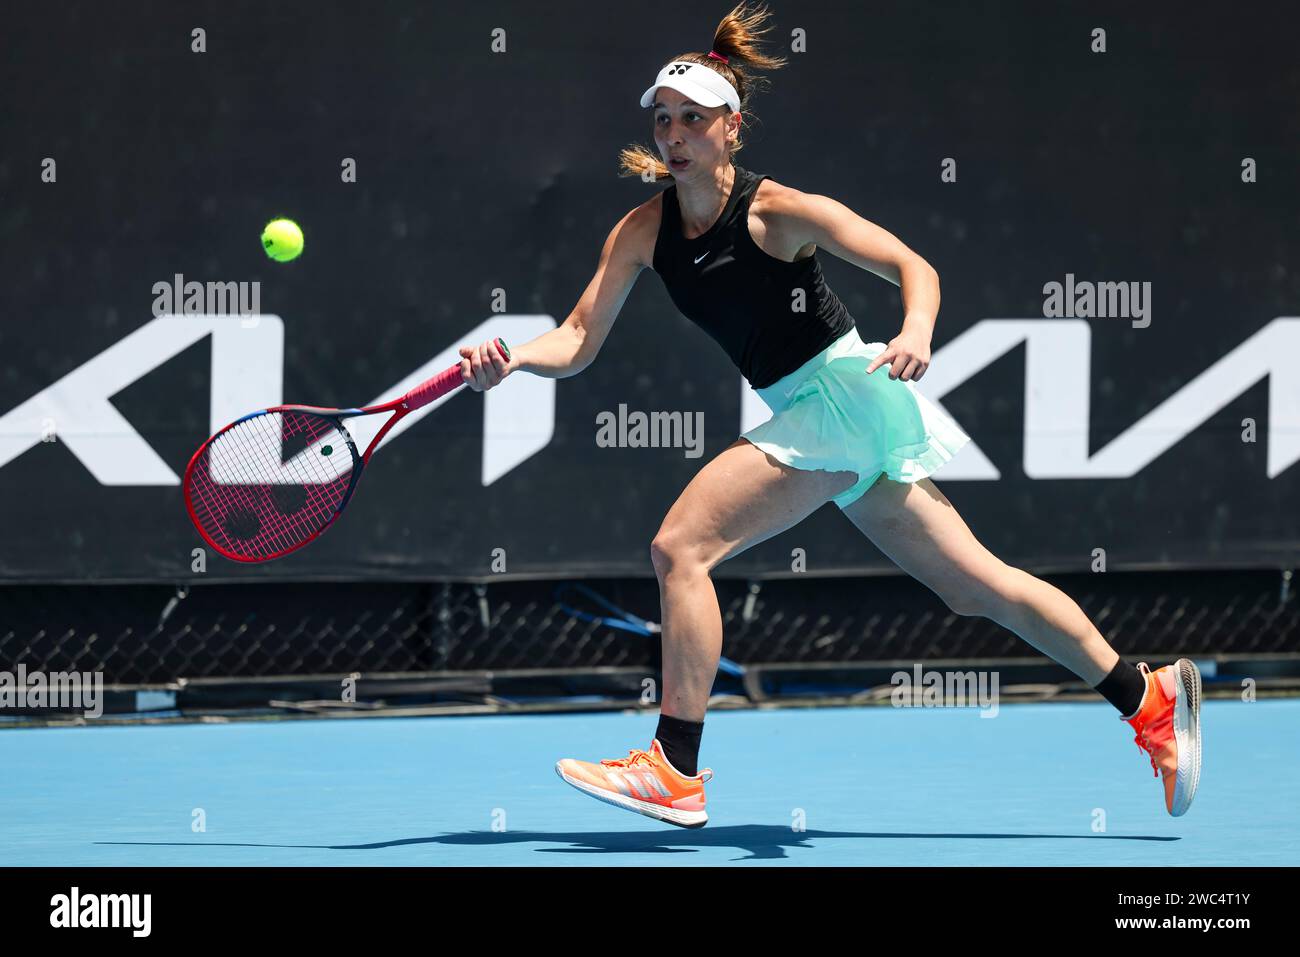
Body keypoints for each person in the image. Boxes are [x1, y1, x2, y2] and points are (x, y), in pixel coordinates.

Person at [457, 2, 1202, 829]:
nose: (673, 134)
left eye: (693, 120)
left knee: (681, 547)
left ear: (731, 127)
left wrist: (917, 329)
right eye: (663, 119)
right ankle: (1148, 696)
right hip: (822, 411)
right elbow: (576, 338)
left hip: (841, 395)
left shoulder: (778, 212)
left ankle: (674, 766)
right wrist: (513, 358)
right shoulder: (642, 230)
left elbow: (907, 263)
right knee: (975, 586)